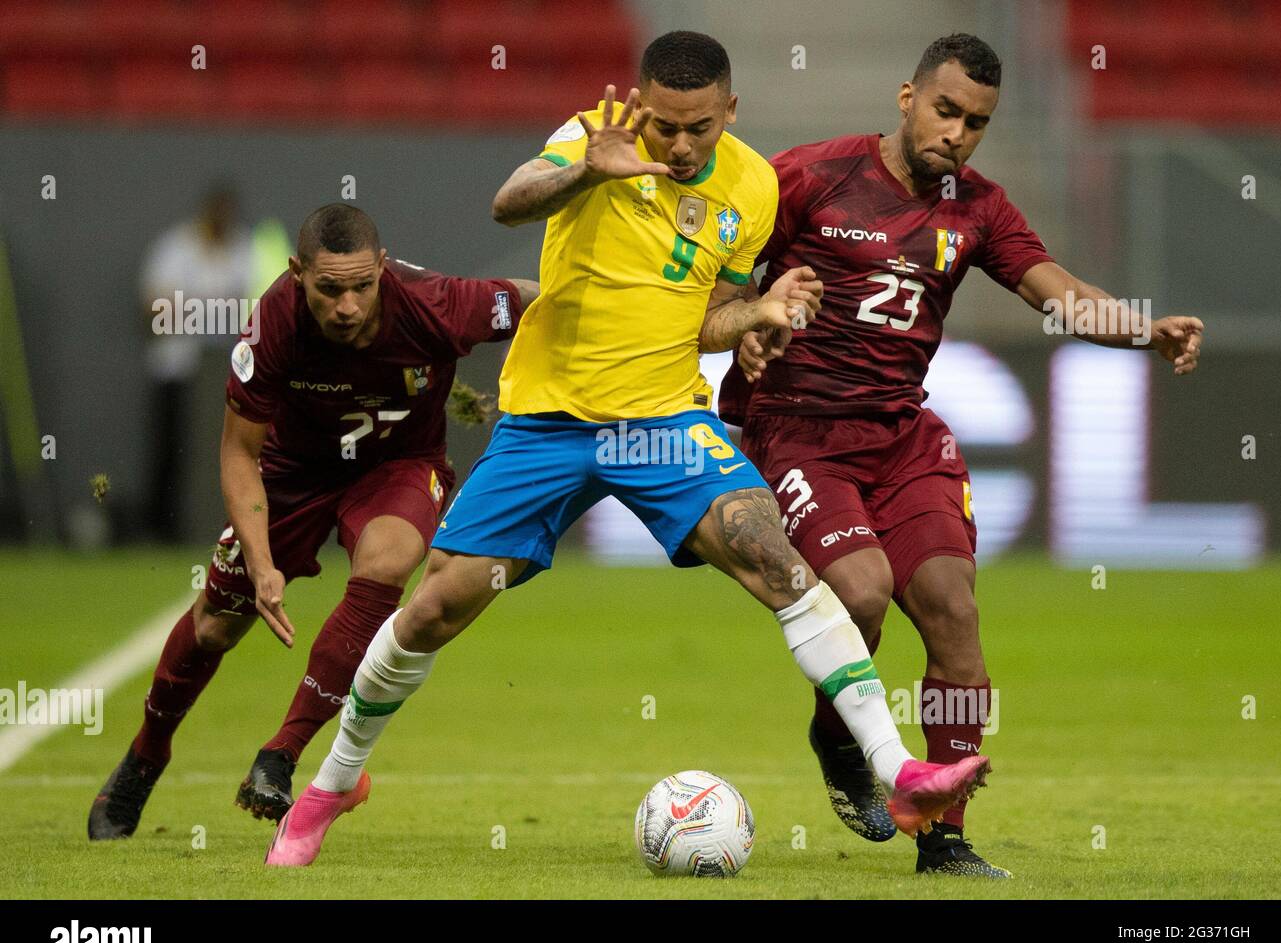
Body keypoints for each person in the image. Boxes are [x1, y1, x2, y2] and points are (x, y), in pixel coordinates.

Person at [267, 32, 990, 868]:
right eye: (665, 127)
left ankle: (897, 767)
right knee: (434, 608)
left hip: (663, 424)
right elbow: (509, 202)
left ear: (730, 113)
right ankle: (334, 782)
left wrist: (751, 316)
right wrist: (586, 169)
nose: (680, 147)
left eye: (700, 129)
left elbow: (708, 310)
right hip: (551, 421)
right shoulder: (594, 135)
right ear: (639, 104)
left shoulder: (753, 186)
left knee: (780, 560)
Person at [720, 33, 1204, 877]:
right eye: (946, 110)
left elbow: (1059, 294)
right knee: (861, 596)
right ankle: (841, 743)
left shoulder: (978, 207)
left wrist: (1142, 330)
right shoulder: (807, 176)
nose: (957, 132)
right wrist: (749, 321)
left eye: (977, 121)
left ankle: (943, 836)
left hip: (903, 439)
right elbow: (720, 274)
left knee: (954, 610)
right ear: (908, 98)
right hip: (798, 431)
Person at [88, 204, 539, 839]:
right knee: (215, 627)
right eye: (329, 289)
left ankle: (280, 755)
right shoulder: (274, 319)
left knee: (387, 561)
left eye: (361, 286)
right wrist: (263, 563)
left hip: (398, 467)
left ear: (383, 270)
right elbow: (240, 451)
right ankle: (146, 753)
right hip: (291, 473)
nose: (348, 305)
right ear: (298, 274)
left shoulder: (435, 303)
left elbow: (533, 299)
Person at [139, 183, 254, 541]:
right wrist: (217, 315)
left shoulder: (245, 249)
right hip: (177, 370)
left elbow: (256, 309)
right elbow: (154, 309)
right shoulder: (175, 248)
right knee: (172, 452)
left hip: (229, 373)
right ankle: (163, 531)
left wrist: (199, 312)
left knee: (231, 451)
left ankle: (228, 526)